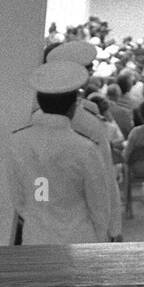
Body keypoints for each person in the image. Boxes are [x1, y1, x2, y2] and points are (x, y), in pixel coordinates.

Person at [7, 60, 110, 244]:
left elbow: (19, 198)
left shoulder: (18, 142)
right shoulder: (85, 148)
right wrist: (101, 240)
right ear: (72, 108)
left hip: (36, 238)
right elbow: (99, 206)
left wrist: (42, 215)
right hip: (78, 239)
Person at [44, 39, 123, 240]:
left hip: (46, 222)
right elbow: (103, 180)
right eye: (87, 68)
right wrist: (113, 228)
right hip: (82, 226)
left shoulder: (34, 118)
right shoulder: (87, 122)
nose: (91, 72)